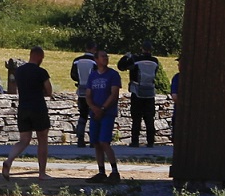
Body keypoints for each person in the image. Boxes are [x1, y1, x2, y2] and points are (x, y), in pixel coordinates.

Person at [0, 46, 52, 179]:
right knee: (42, 139)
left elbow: (18, 87)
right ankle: (42, 173)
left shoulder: (19, 71)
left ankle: (9, 160)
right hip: (38, 107)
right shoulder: (41, 72)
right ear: (40, 57)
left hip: (23, 107)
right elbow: (49, 91)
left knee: (24, 140)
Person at [85, 52, 123, 183]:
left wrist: (103, 108)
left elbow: (114, 94)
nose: (105, 59)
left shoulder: (113, 75)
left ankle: (114, 171)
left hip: (108, 113)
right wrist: (93, 108)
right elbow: (88, 94)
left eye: (107, 56)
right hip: (95, 113)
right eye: (102, 56)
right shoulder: (92, 76)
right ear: (96, 60)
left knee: (104, 141)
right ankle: (101, 171)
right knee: (96, 142)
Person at [125, 44, 161, 147]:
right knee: (149, 118)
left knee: (136, 118)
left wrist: (127, 57)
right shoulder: (155, 61)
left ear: (142, 49)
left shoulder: (136, 60)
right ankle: (150, 142)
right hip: (150, 92)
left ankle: (135, 141)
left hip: (137, 91)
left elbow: (122, 66)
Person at [69, 46, 98, 147]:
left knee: (82, 115)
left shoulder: (77, 60)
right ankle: (93, 140)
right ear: (94, 49)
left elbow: (73, 75)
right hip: (93, 92)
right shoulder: (95, 61)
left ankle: (80, 139)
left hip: (81, 91)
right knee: (94, 116)